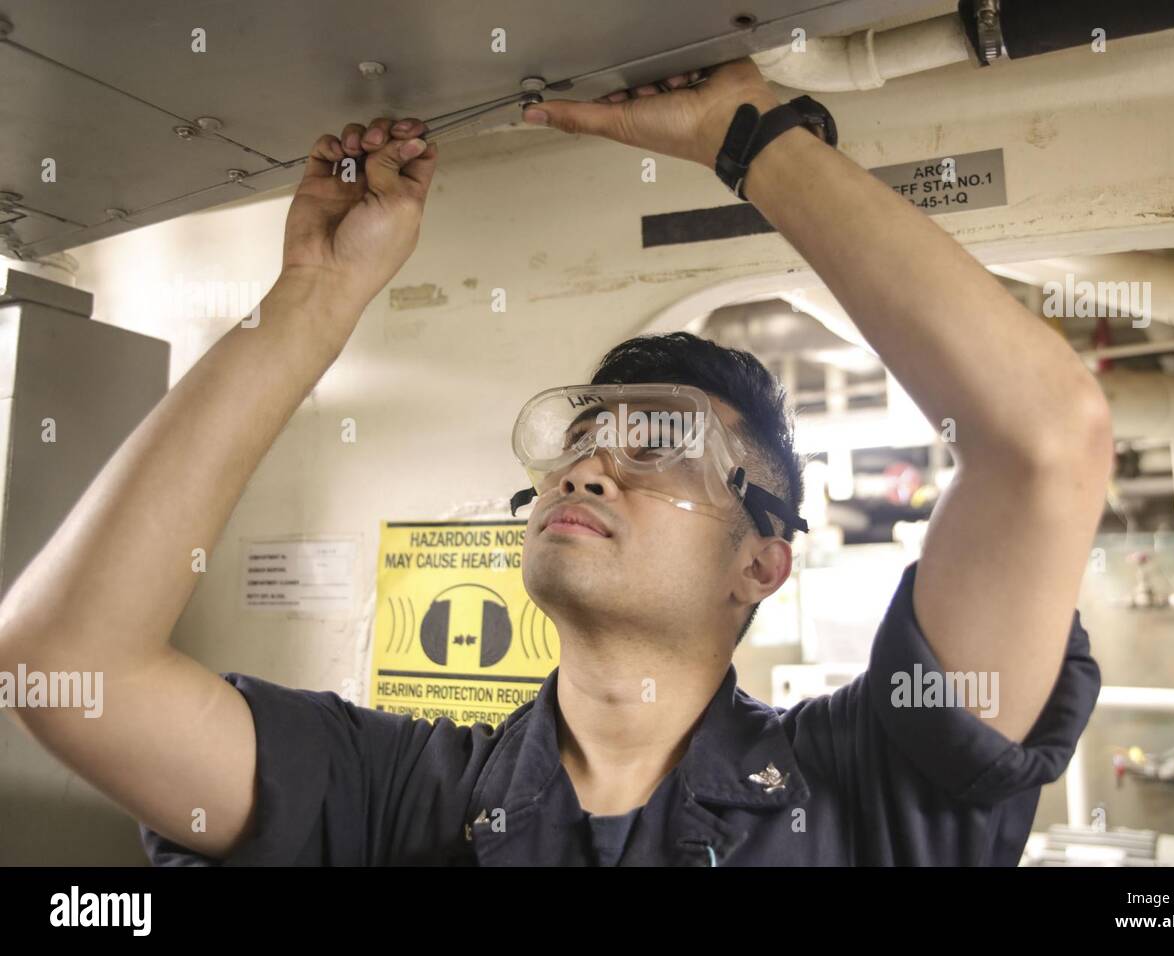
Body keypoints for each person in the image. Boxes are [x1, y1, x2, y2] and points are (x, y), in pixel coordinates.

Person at [0, 58, 1111, 866]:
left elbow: (1043, 443)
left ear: (760, 565)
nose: (585, 469)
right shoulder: (391, 791)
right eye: (577, 440)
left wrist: (753, 133)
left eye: (662, 442)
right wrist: (314, 297)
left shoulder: (871, 786)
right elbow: (66, 660)